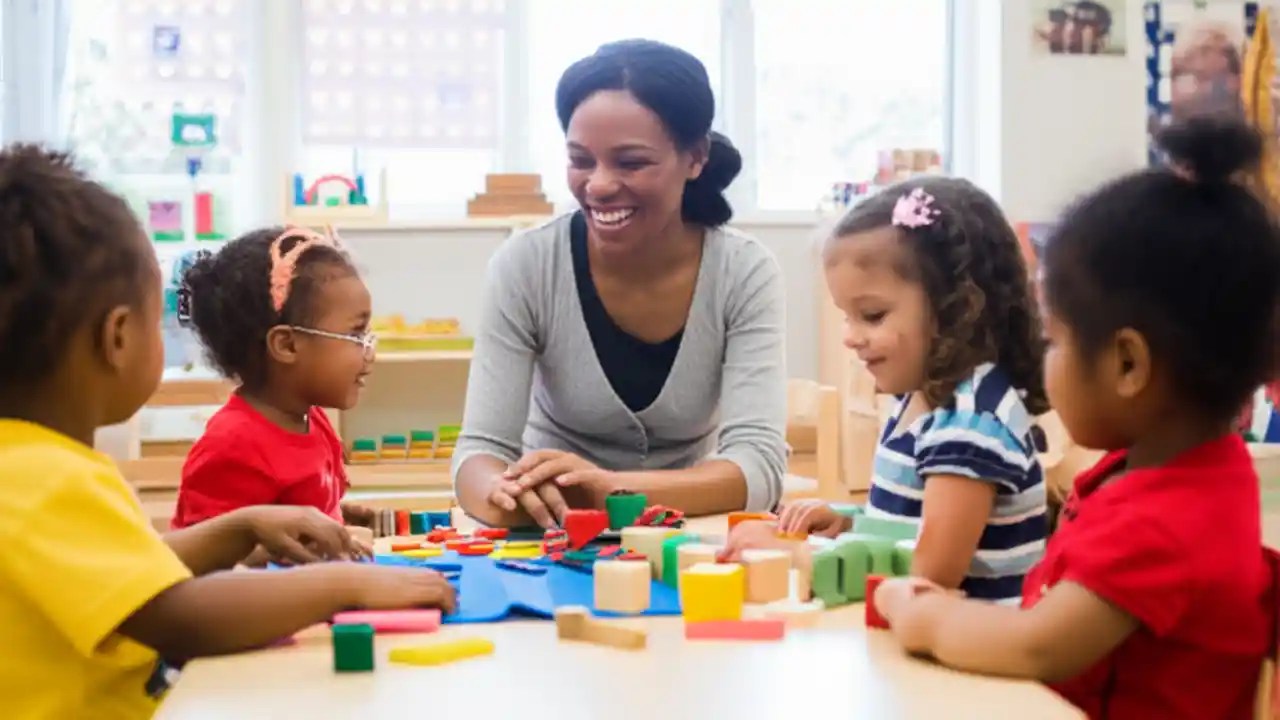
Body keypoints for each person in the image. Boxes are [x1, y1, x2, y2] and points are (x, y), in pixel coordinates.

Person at [0, 145, 455, 718]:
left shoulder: (25, 468)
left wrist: (242, 526)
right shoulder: (44, 479)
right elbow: (180, 612)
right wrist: (347, 585)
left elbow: (144, 566)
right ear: (118, 338)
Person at [874, 115, 1276, 719]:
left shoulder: (1163, 521)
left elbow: (1037, 647)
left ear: (1127, 364)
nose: (1045, 358)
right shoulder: (1181, 475)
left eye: (1053, 339)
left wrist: (925, 614)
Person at [453, 39, 788, 528]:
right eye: (580, 160)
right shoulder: (526, 264)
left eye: (631, 162)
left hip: (692, 530)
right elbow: (479, 453)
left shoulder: (744, 272)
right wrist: (504, 494)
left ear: (694, 157)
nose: (599, 185)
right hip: (552, 529)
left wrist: (611, 491)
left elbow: (758, 466)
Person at [724, 176, 1050, 604]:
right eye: (847, 316)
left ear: (956, 308)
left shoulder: (969, 425)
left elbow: (926, 575)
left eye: (872, 316)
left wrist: (794, 555)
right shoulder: (922, 401)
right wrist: (849, 523)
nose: (850, 337)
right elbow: (911, 529)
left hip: (972, 662)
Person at [172, 226, 376, 533]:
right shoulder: (233, 445)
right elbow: (207, 560)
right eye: (356, 334)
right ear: (287, 345)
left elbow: (292, 510)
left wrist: (337, 517)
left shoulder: (312, 419)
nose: (370, 352)